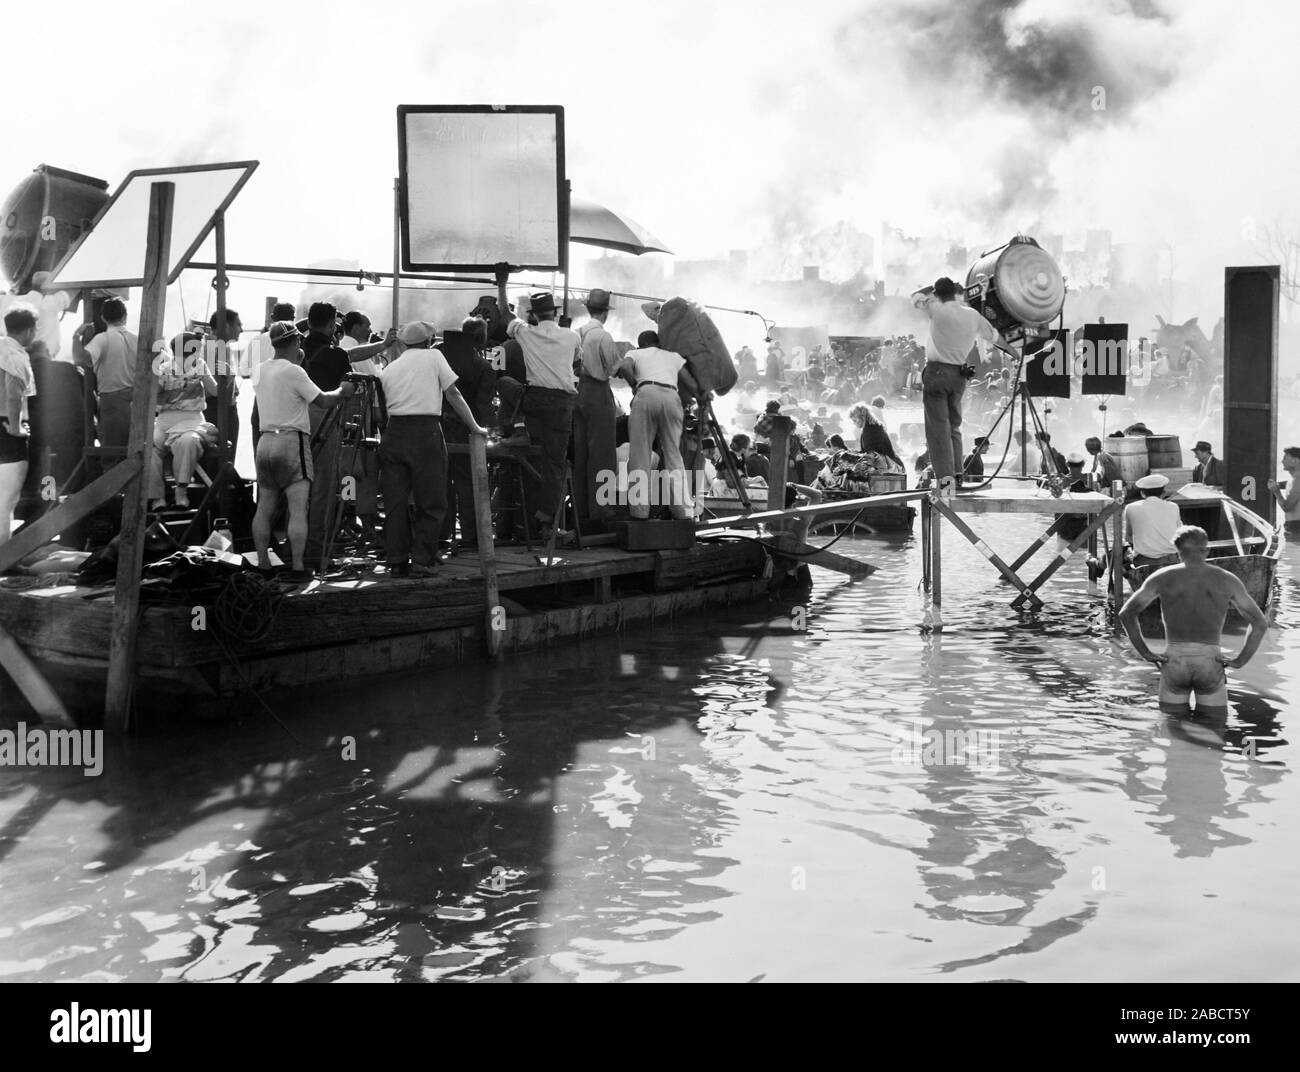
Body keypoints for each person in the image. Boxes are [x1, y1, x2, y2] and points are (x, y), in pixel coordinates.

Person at [377, 321, 490, 578]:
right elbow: (453, 394)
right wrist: (474, 426)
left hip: (394, 433)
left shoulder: (390, 369)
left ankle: (396, 560)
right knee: (432, 500)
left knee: (395, 502)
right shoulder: (434, 356)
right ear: (428, 341)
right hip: (425, 432)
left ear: (404, 343)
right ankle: (421, 559)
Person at [1120, 525, 1268, 716]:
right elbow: (1260, 624)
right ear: (1206, 550)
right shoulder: (1227, 579)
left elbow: (1127, 613)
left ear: (1177, 551)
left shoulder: (1162, 577)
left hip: (1174, 661)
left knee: (1172, 729)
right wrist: (1240, 661)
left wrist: (1145, 652)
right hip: (1210, 662)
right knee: (1215, 728)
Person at [251, 322, 356, 579]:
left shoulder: (259, 370)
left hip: (265, 443)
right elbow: (323, 400)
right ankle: (298, 566)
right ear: (296, 342)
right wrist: (344, 390)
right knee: (298, 508)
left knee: (264, 507)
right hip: (290, 441)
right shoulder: (294, 373)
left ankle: (263, 562)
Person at [493, 292, 579, 537]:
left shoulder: (524, 332)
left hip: (535, 400)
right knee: (555, 463)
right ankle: (547, 520)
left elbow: (506, 316)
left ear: (533, 315)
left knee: (505, 382)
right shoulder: (572, 335)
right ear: (556, 312)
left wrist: (501, 284)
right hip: (563, 404)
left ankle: (520, 429)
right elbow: (575, 363)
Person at [917, 277, 1003, 494]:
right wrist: (1013, 351)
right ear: (956, 293)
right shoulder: (972, 315)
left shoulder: (935, 309)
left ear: (937, 294)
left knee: (938, 428)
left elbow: (916, 298)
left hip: (937, 373)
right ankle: (957, 475)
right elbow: (993, 336)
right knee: (954, 426)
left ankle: (946, 484)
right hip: (959, 375)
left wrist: (931, 294)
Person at [615, 330, 700, 521]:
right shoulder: (672, 356)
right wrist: (702, 398)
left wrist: (634, 385)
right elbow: (690, 382)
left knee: (640, 454)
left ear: (640, 345)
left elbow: (624, 367)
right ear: (658, 344)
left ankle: (640, 512)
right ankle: (684, 512)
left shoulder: (635, 354)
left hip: (646, 394)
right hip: (671, 397)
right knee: (673, 455)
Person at [148, 332, 217, 511]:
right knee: (149, 448)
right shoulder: (163, 369)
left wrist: (225, 376)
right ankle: (157, 496)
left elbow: (215, 391)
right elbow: (153, 397)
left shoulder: (200, 366)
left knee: (188, 442)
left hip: (191, 419)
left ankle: (181, 491)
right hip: (165, 421)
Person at [573, 288, 621, 527]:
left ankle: (581, 510)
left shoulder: (576, 333)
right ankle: (602, 510)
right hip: (598, 392)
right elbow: (614, 368)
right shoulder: (603, 337)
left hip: (578, 392)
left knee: (581, 453)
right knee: (602, 453)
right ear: (606, 313)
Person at [72, 296, 136, 456]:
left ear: (102, 318)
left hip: (112, 401)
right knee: (134, 453)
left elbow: (80, 359)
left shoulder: (102, 339)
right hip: (137, 401)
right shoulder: (138, 339)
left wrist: (76, 337)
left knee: (111, 453)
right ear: (125, 316)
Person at [0, 305, 38, 548]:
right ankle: (4, 557)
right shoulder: (15, 357)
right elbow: (14, 394)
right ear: (28, 331)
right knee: (6, 501)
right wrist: (15, 427)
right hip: (7, 429)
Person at [0, 272, 73, 360]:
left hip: (11, 358)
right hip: (41, 361)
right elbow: (70, 292)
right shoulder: (49, 303)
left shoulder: (7, 301)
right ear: (47, 287)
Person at [204, 308, 244, 459]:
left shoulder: (214, 346)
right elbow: (218, 387)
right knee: (223, 459)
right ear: (226, 326)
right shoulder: (217, 348)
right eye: (238, 325)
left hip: (215, 409)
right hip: (220, 411)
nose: (241, 329)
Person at [1124, 472, 1180, 569]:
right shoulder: (1174, 507)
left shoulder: (1131, 508)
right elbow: (1179, 533)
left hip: (1144, 562)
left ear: (1142, 493)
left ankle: (1100, 565)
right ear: (1163, 493)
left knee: (1120, 551)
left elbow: (1128, 537)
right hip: (1171, 560)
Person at [1055, 453, 1093, 556]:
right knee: (1084, 560)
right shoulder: (1090, 481)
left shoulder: (1061, 483)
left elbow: (1056, 509)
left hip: (1065, 531)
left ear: (1067, 465)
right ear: (1083, 465)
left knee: (1062, 561)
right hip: (1085, 529)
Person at [849, 402, 902, 467]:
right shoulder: (872, 427)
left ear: (862, 417)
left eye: (855, 420)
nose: (854, 423)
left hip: (892, 467)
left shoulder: (870, 430)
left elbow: (872, 455)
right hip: (893, 464)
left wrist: (852, 457)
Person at [1267, 446, 1300, 534]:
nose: (1282, 461)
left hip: (1296, 527)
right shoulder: (1293, 480)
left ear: (1296, 461)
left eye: (1285, 458)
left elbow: (1287, 507)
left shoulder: (1297, 480)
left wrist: (1276, 492)